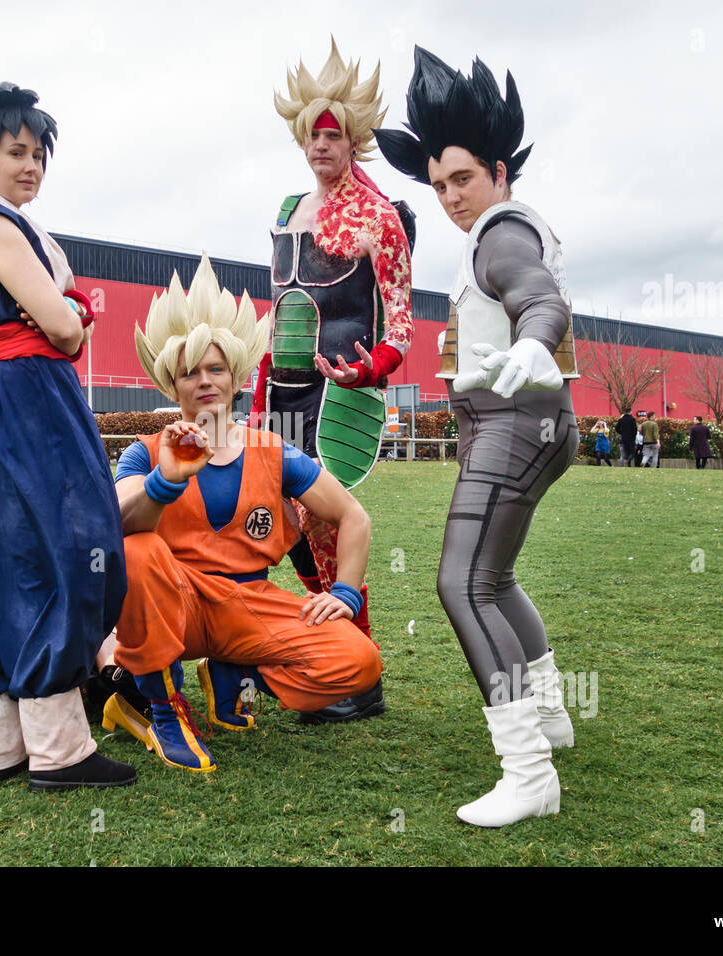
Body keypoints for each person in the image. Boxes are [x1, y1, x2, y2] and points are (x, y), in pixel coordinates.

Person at [376, 47, 579, 826]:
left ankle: (527, 773)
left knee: (461, 586)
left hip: (515, 420)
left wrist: (534, 339)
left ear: (497, 169)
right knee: (493, 580)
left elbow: (538, 296)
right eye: (437, 186)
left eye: (461, 178)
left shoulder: (501, 231)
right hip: (531, 421)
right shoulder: (502, 228)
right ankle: (552, 717)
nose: (451, 196)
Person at [0, 80, 133, 791]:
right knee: (66, 547)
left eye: (39, 155)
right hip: (29, 400)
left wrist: (63, 320)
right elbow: (60, 324)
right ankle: (59, 751)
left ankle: (5, 744)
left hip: (3, 399)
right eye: (16, 152)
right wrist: (73, 317)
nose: (31, 166)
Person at [107, 255, 381, 773]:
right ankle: (166, 713)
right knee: (136, 550)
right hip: (177, 605)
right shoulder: (145, 452)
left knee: (358, 660)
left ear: (236, 377)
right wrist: (166, 481)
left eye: (216, 369)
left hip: (249, 604)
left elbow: (352, 516)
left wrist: (344, 592)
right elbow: (117, 523)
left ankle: (238, 673)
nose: (205, 381)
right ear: (172, 386)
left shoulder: (271, 451)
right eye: (190, 372)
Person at [249, 38, 415, 723]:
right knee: (274, 527)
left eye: (333, 133)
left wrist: (369, 368)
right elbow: (276, 313)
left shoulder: (382, 217)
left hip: (336, 399)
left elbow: (401, 325)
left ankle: (357, 674)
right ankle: (320, 655)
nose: (322, 145)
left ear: (352, 139)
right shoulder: (289, 210)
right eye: (312, 134)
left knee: (324, 527)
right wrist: (256, 389)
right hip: (280, 396)